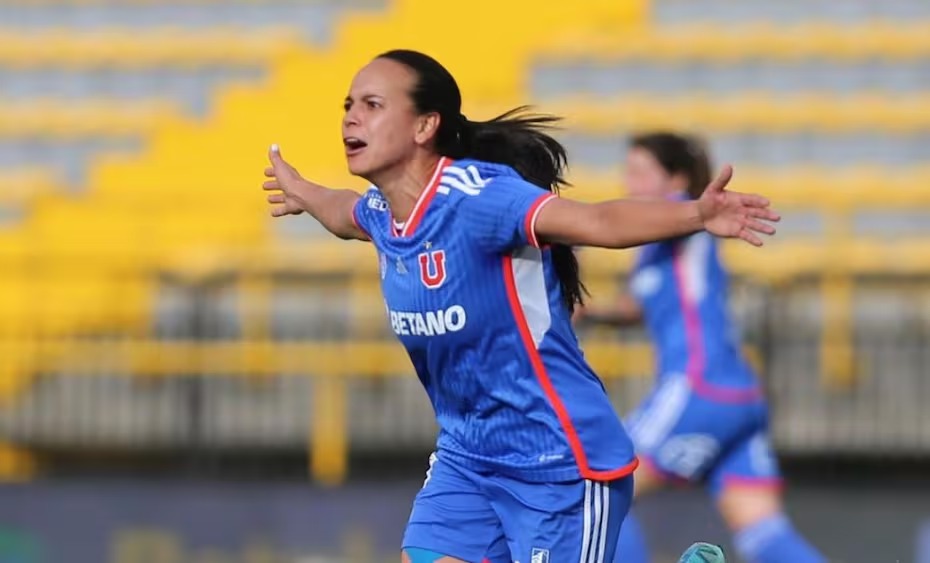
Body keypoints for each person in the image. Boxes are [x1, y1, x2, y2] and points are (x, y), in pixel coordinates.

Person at [262, 50, 778, 563]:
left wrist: (695, 214)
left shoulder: (480, 199)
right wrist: (303, 191)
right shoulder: (383, 215)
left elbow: (597, 223)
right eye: (348, 103)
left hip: (557, 462)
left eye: (372, 104)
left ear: (425, 125)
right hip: (468, 455)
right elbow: (341, 212)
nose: (352, 116)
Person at [573, 132, 824, 563]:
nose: (627, 183)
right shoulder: (660, 244)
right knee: (762, 530)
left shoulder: (678, 215)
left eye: (638, 173)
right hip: (736, 394)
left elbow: (612, 224)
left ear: (676, 181)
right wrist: (591, 312)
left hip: (697, 387)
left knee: (594, 491)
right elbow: (638, 306)